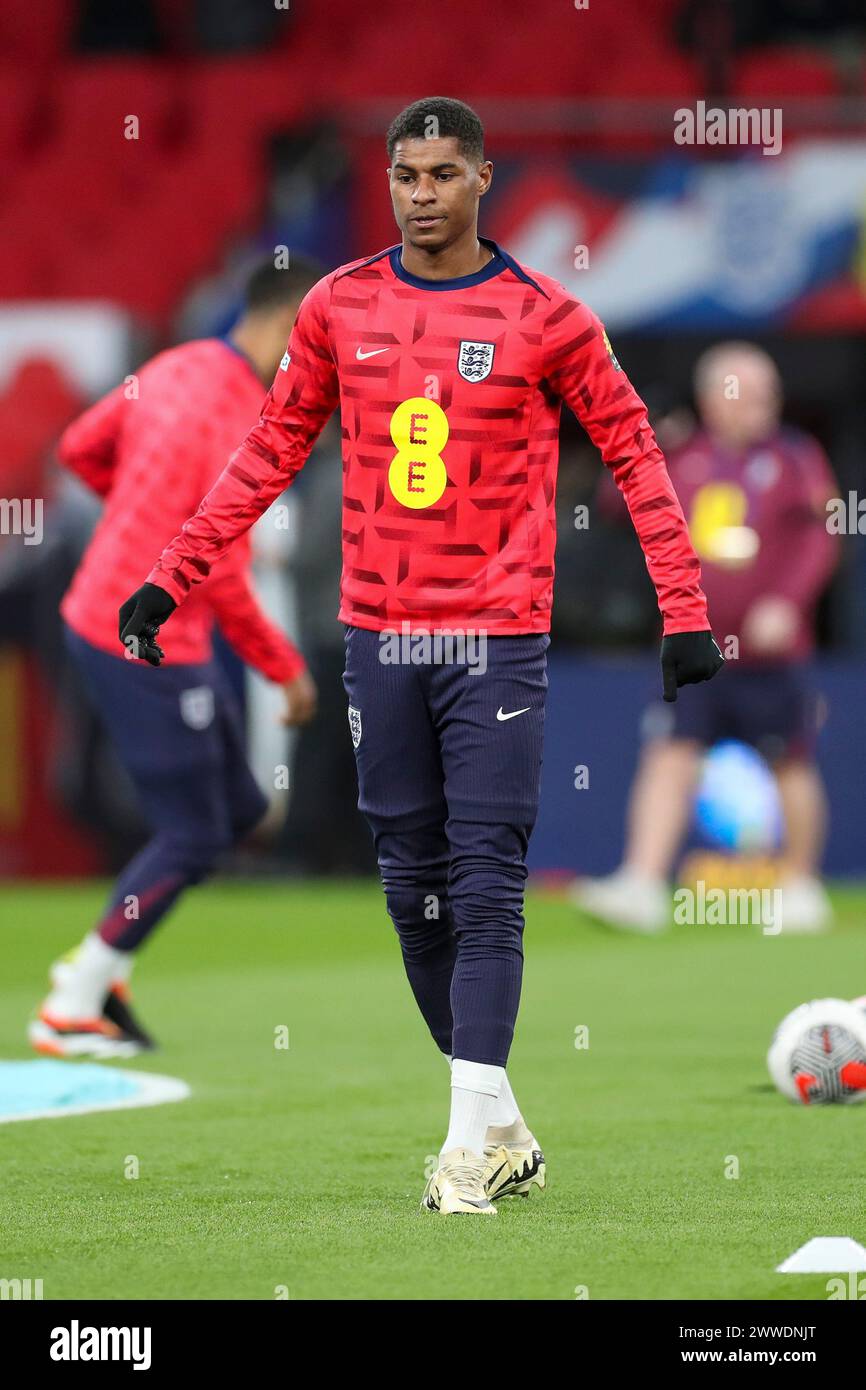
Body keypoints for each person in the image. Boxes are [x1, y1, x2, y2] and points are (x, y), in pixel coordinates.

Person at [118, 97, 723, 1214]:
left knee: (486, 877)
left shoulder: (548, 317)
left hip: (493, 635)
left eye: (443, 172)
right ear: (389, 180)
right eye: (405, 173)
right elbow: (266, 451)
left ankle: (462, 1154)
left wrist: (681, 608)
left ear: (482, 178)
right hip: (379, 637)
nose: (421, 192)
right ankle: (498, 1121)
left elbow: (633, 451)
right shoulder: (336, 305)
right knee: (411, 890)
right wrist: (173, 569)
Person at [29, 257, 321, 1059]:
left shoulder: (172, 365)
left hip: (108, 615)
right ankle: (74, 996)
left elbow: (78, 445)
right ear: (289, 323)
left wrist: (134, 499)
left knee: (233, 812)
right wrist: (283, 667)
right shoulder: (237, 420)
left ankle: (106, 969)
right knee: (197, 831)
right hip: (144, 641)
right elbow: (223, 572)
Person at [574, 342, 838, 934]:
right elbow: (614, 504)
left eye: (769, 390)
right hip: (695, 643)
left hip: (770, 652)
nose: (765, 403)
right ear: (714, 397)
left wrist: (787, 603)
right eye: (750, 390)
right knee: (669, 756)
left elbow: (820, 537)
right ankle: (641, 881)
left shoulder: (794, 457)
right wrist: (650, 444)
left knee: (789, 761)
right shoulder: (683, 454)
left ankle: (800, 882)